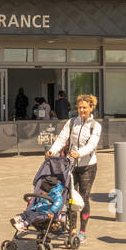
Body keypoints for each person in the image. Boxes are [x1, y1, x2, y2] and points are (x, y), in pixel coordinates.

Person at [47, 93, 100, 241]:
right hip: (70, 164)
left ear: (91, 108)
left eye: (84, 108)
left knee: (83, 198)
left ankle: (82, 230)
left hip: (88, 166)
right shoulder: (71, 123)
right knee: (70, 197)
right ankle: (72, 229)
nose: (82, 110)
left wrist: (79, 153)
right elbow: (62, 138)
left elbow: (92, 145)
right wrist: (53, 150)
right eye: (79, 107)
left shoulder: (95, 126)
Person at [9, 169, 67, 234]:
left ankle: (23, 224)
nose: (41, 192)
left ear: (48, 190)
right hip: (39, 209)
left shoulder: (56, 195)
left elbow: (58, 203)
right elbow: (40, 202)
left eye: (43, 191)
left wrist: (51, 211)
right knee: (28, 212)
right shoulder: (45, 193)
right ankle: (18, 217)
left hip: (46, 213)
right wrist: (34, 207)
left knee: (34, 216)